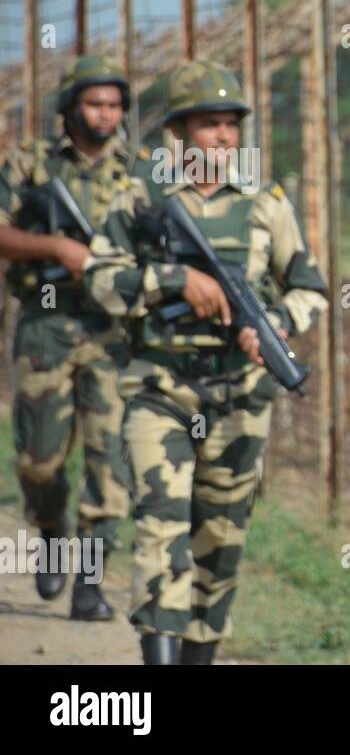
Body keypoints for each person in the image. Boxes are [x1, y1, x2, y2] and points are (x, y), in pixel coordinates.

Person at [84, 59, 328, 665]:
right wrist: (173, 280)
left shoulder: (266, 203)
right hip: (161, 389)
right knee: (161, 531)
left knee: (219, 545)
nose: (221, 137)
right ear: (178, 132)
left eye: (229, 124)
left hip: (240, 397)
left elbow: (310, 287)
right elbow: (99, 281)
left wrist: (278, 324)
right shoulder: (141, 199)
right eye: (207, 124)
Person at [0, 55, 148, 620]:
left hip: (113, 331)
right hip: (46, 324)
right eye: (94, 103)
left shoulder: (140, 169)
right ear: (69, 108)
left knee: (108, 460)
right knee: (39, 461)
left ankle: (90, 584)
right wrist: (57, 250)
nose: (105, 114)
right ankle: (49, 528)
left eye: (114, 105)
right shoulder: (32, 163)